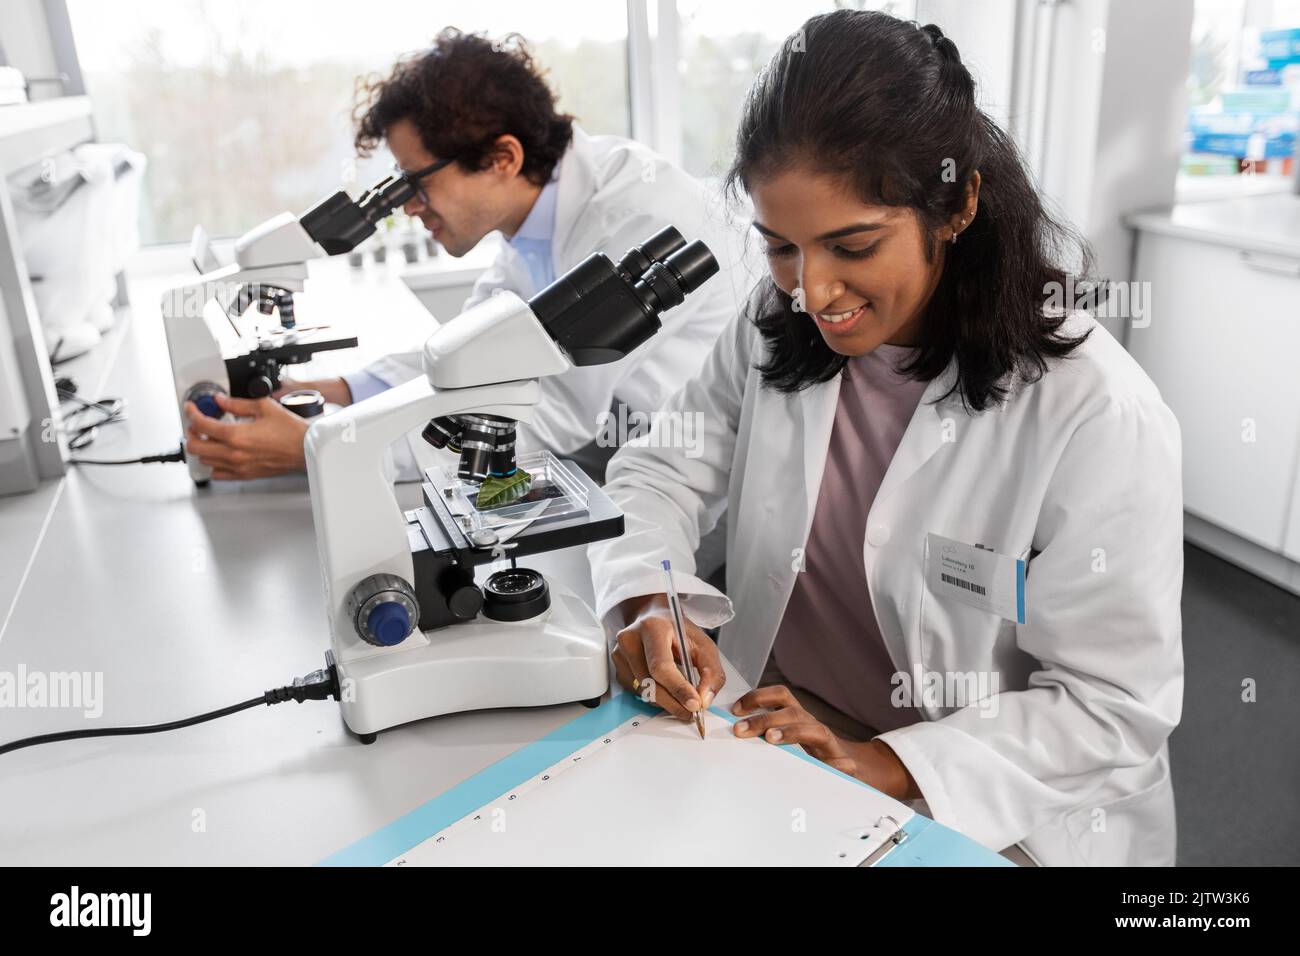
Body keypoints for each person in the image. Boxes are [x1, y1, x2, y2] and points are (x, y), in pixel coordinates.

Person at [589, 10, 1183, 867]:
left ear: (958, 205)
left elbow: (1111, 707)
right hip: (787, 725)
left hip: (986, 793)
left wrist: (888, 763)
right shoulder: (772, 321)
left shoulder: (1094, 411)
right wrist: (649, 596)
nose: (813, 291)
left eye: (853, 246)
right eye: (781, 247)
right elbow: (657, 474)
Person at [185, 28, 750, 482]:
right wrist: (337, 393)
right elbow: (463, 354)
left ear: (503, 158)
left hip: (674, 504)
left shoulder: (637, 218)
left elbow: (553, 413)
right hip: (602, 464)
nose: (408, 207)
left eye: (417, 182)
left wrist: (320, 450)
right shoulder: (534, 219)